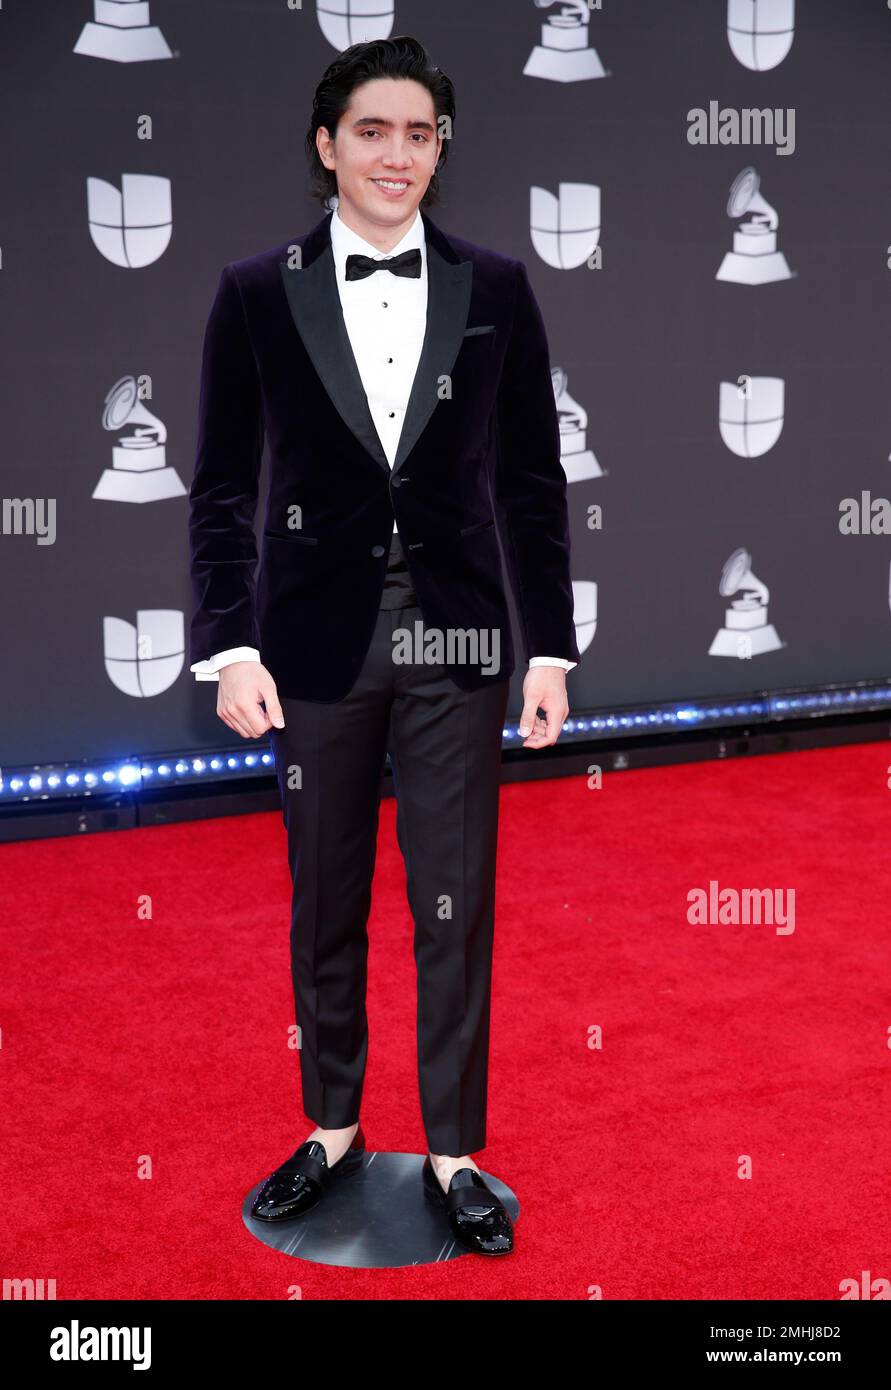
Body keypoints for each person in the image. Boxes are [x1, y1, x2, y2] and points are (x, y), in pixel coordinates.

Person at [188, 35, 580, 1256]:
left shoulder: (499, 286)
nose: (398, 155)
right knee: (326, 901)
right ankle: (332, 1129)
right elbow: (217, 493)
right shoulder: (256, 290)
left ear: (440, 151)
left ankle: (458, 1152)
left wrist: (550, 652)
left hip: (461, 640)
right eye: (374, 131)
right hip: (313, 644)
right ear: (327, 146)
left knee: (455, 905)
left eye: (420, 134)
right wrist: (227, 649)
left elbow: (530, 481)